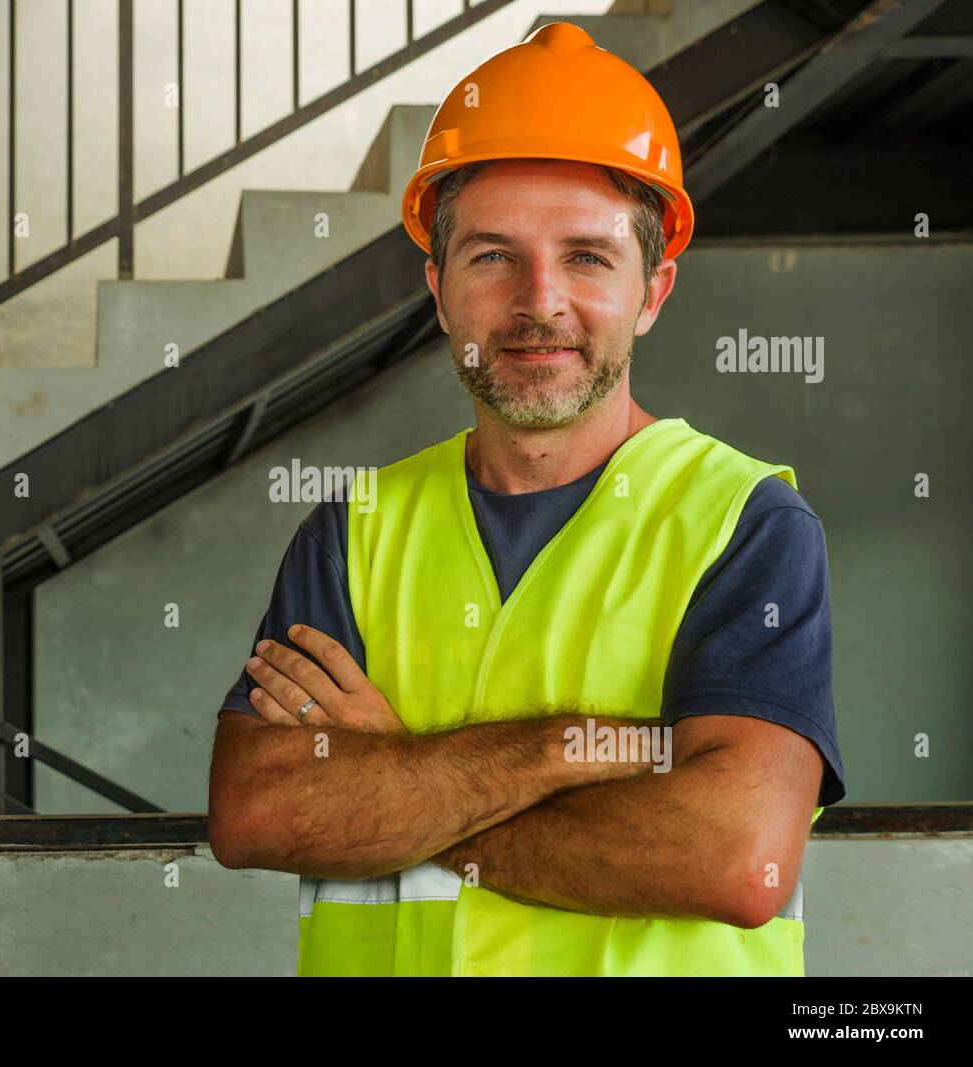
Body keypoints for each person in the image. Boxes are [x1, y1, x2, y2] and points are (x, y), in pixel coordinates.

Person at [207, 21, 844, 977]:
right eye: (492, 256)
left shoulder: (745, 525)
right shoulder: (353, 531)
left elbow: (734, 856)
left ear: (652, 290)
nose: (539, 301)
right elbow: (256, 811)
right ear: (439, 289)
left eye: (586, 257)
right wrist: (568, 750)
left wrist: (402, 784)